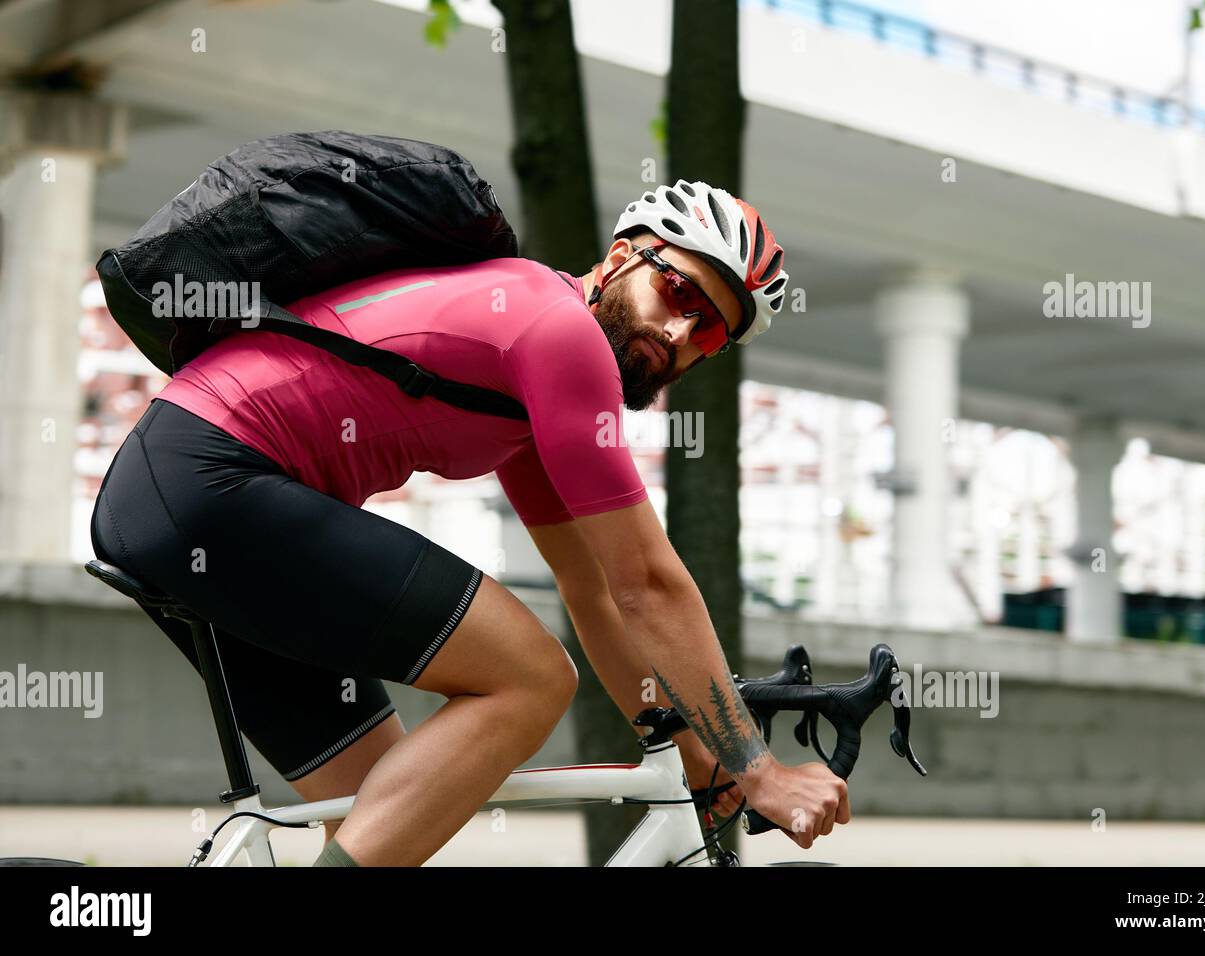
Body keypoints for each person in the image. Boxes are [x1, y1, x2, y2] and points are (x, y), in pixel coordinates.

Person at [89, 178, 849, 866]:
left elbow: (593, 591)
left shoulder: (526, 381)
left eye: (711, 333)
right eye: (680, 293)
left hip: (182, 500)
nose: (683, 334)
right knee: (531, 676)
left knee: (382, 817)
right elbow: (646, 583)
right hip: (211, 479)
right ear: (622, 257)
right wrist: (758, 768)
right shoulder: (560, 333)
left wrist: (688, 747)